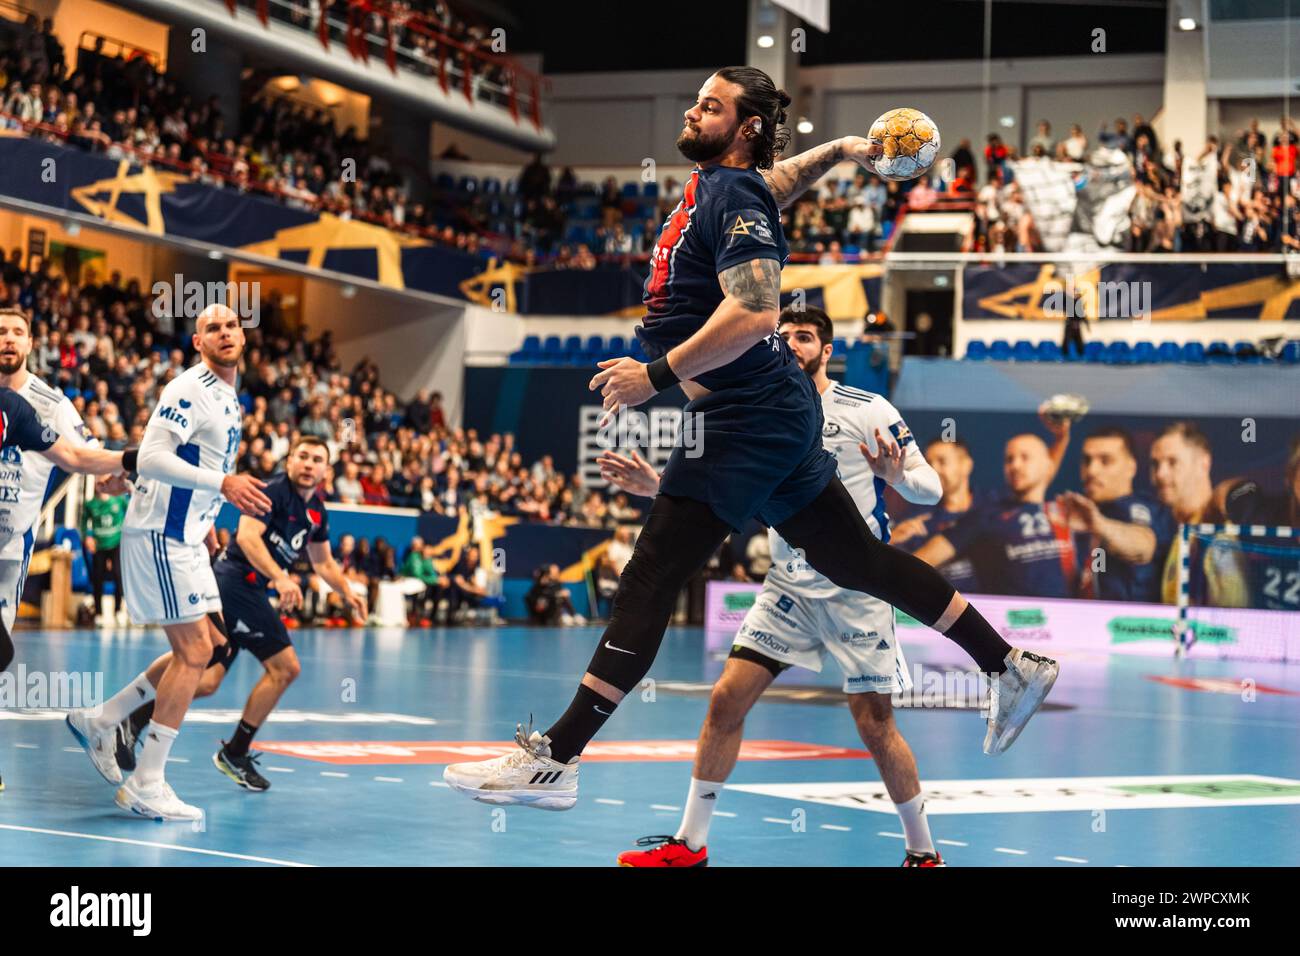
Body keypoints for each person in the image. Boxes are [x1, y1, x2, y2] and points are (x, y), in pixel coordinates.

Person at [443, 66, 1058, 813]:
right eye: (697, 100)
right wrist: (838, 150)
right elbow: (776, 187)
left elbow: (758, 314)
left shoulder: (732, 192)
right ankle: (1008, 664)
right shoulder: (734, 187)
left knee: (652, 573)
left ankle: (558, 759)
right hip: (770, 412)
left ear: (746, 127)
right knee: (853, 557)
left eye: (711, 106)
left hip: (745, 418)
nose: (693, 111)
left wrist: (655, 376)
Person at [607, 305, 947, 867]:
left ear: (828, 350)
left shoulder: (867, 409)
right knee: (725, 700)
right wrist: (657, 489)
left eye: (806, 337)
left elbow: (931, 488)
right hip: (787, 586)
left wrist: (897, 477)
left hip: (854, 593)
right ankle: (690, 843)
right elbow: (721, 491)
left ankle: (923, 852)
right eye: (784, 334)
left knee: (875, 722)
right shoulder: (755, 410)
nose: (792, 343)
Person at [65, 303, 272, 822]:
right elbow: (153, 455)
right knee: (196, 650)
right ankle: (147, 782)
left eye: (231, 326)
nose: (224, 333)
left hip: (189, 537)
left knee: (212, 647)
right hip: (161, 536)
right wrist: (222, 484)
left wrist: (208, 509)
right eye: (212, 329)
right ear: (197, 343)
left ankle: (103, 718)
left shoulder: (229, 397)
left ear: (242, 336)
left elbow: (175, 465)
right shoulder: (189, 388)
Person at [112, 436, 366, 790]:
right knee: (285, 667)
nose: (308, 465)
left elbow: (323, 561)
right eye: (303, 457)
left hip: (247, 591)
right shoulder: (274, 490)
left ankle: (132, 720)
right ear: (290, 460)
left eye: (316, 460)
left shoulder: (316, 512)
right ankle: (235, 751)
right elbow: (247, 537)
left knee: (204, 676)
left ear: (327, 470)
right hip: (235, 585)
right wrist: (281, 578)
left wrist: (348, 592)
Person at [1059, 427, 1173, 603]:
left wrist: (1100, 526)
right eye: (1087, 460)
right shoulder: (1085, 513)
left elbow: (1144, 545)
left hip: (1132, 624)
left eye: (1105, 461)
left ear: (1131, 467)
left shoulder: (1139, 507)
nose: (1092, 470)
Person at [83, 487, 128, 625]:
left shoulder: (119, 500)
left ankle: (118, 611)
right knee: (98, 578)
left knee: (118, 575)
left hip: (116, 543)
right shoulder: (90, 504)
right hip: (99, 545)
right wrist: (87, 537)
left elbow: (131, 515)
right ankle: (98, 613)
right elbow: (83, 523)